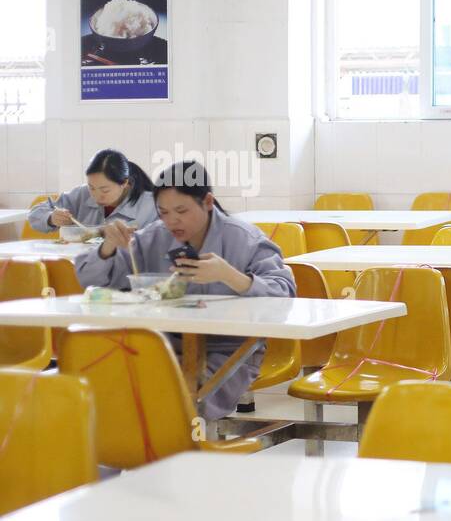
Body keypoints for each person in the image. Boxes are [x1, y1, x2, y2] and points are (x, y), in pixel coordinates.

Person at [75, 160, 295, 421]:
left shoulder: (245, 240)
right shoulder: (153, 237)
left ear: (208, 202)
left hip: (229, 351)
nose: (172, 221)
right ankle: (118, 457)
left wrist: (231, 276)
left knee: (169, 405)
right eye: (164, 212)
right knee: (106, 396)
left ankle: (167, 454)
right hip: (161, 347)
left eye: (181, 210)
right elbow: (90, 279)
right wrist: (108, 247)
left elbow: (285, 295)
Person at [28, 149, 159, 235]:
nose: (96, 195)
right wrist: (51, 217)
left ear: (124, 183)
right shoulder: (81, 194)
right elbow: (35, 213)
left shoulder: (151, 205)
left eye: (105, 189)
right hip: (83, 267)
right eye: (92, 187)